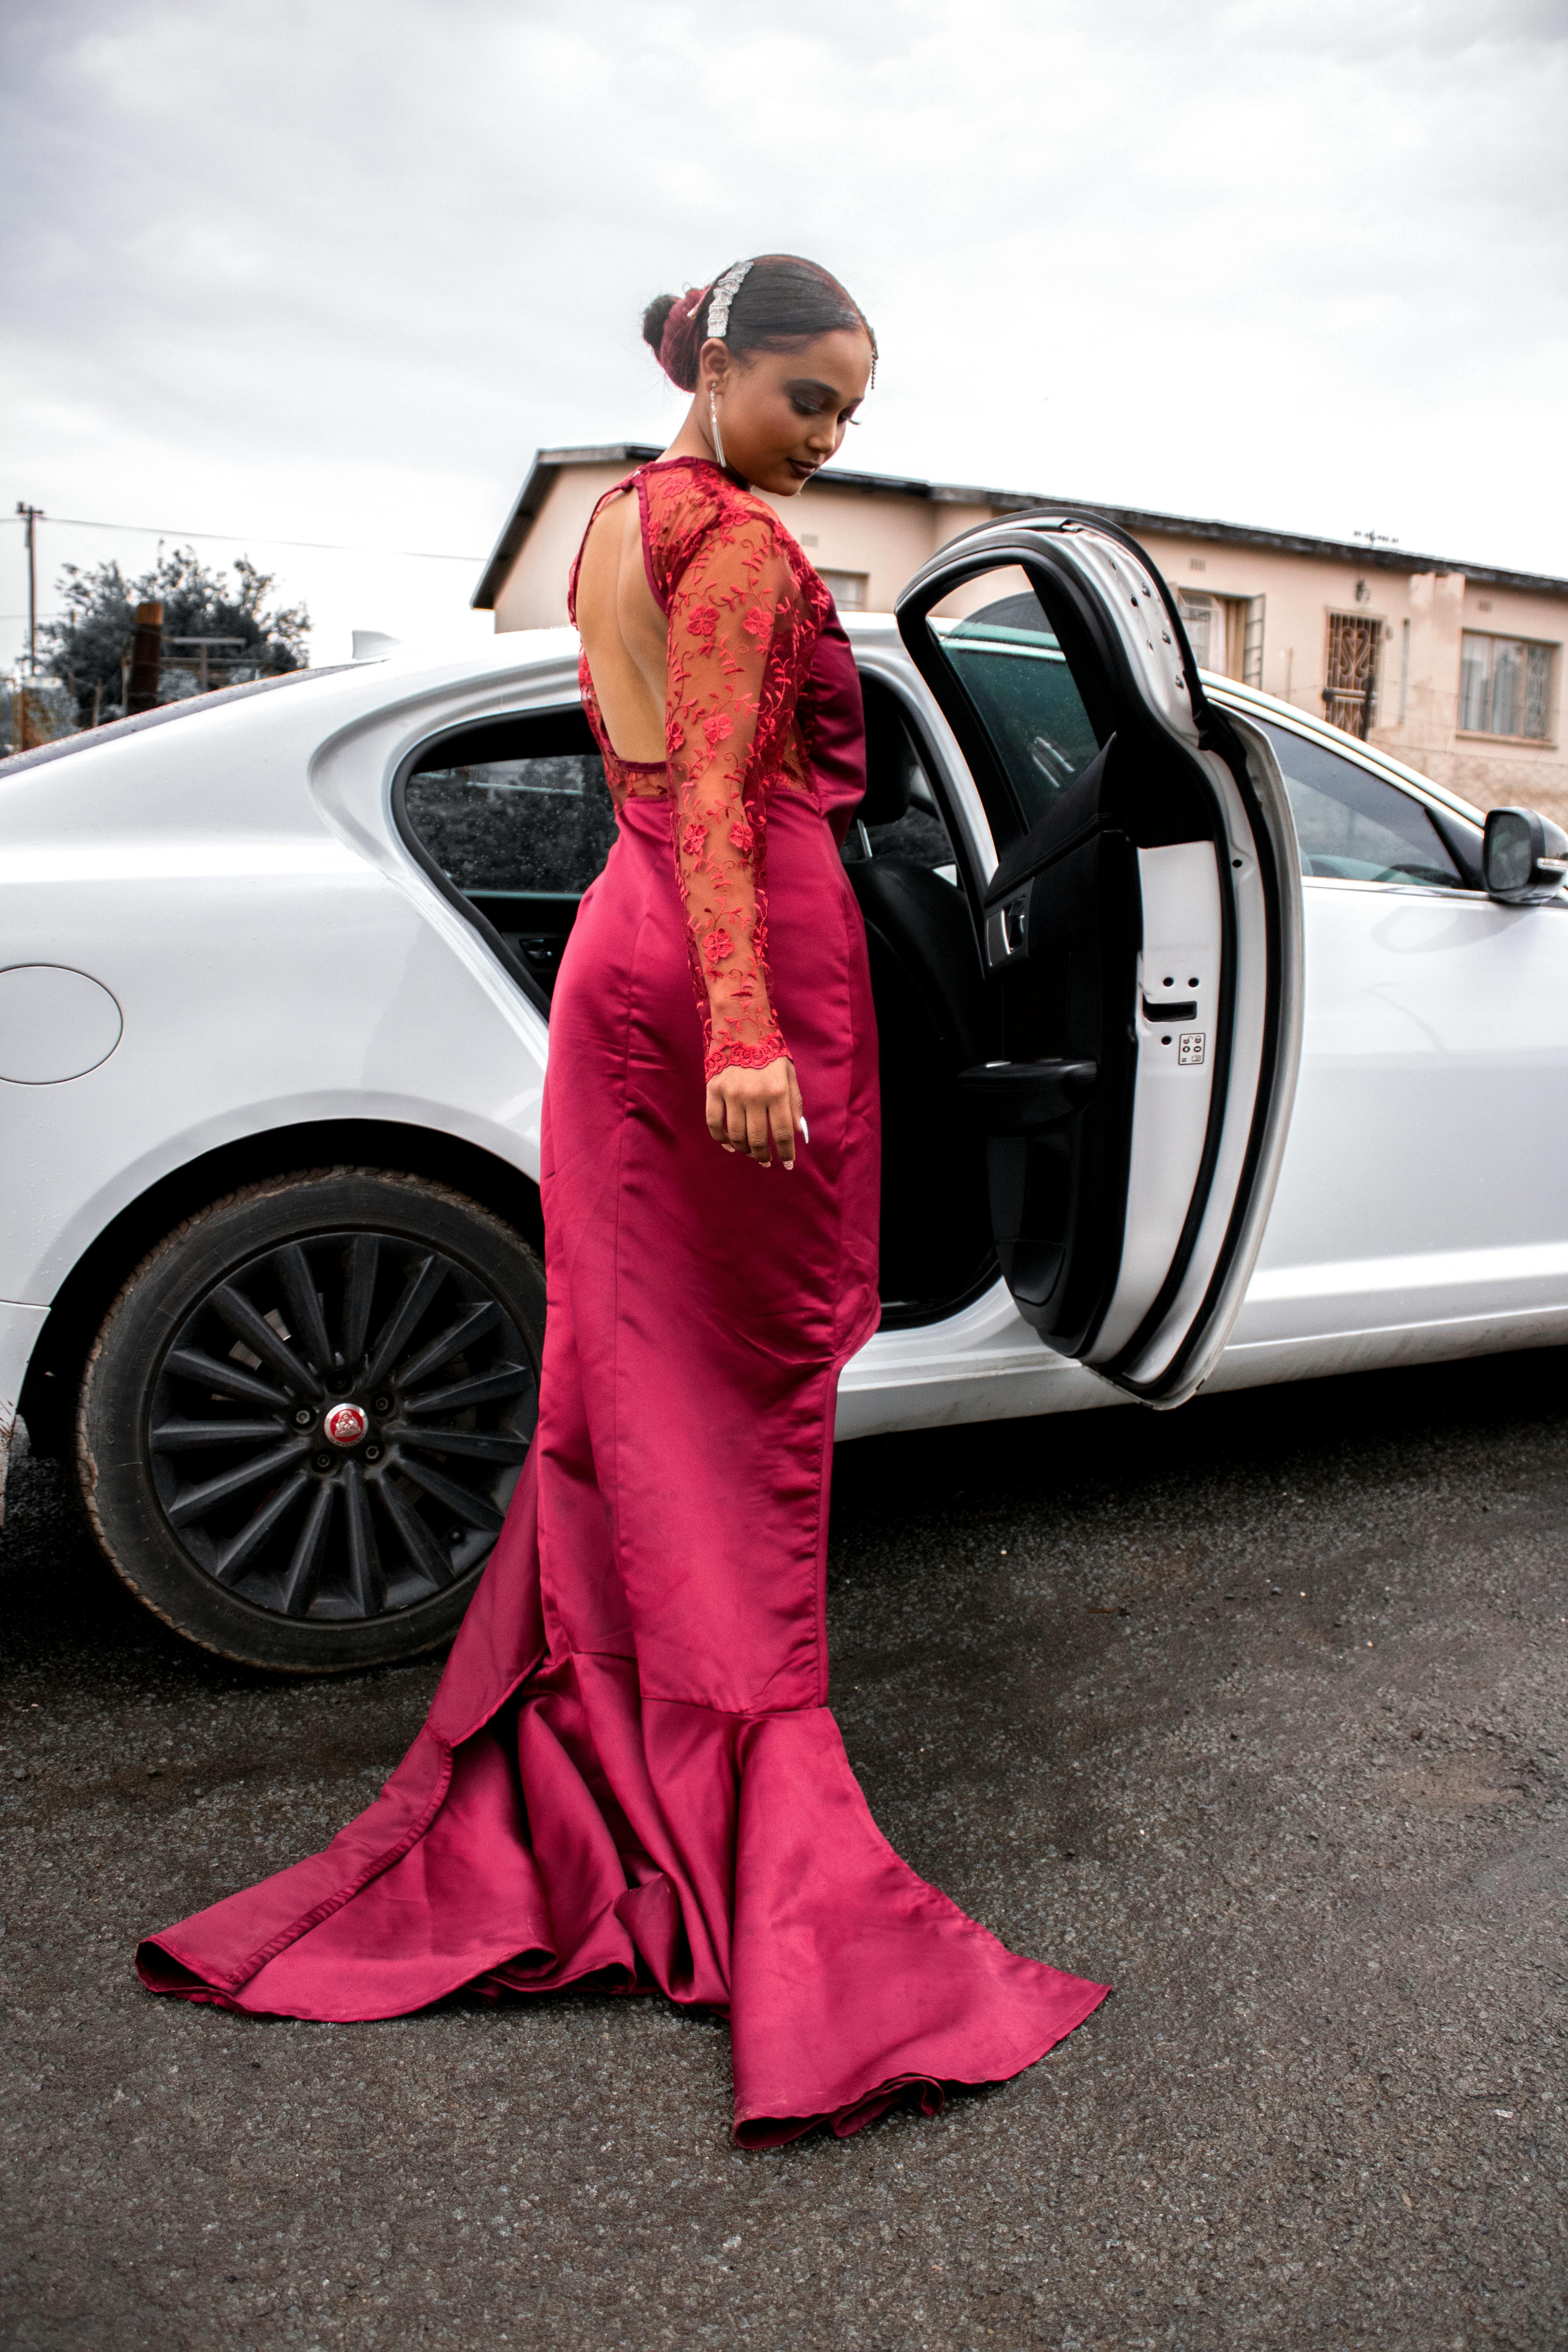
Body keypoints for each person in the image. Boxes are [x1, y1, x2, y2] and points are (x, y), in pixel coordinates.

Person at [136, 255, 1107, 2145]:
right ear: (724, 372)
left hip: (625, 961)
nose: (828, 442)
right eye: (811, 400)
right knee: (739, 1398)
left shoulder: (615, 522)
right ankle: (734, 1793)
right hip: (730, 974)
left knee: (633, 1378)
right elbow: (733, 803)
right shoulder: (737, 548)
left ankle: (607, 1738)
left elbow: (661, 795)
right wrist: (751, 1032)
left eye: (851, 414)